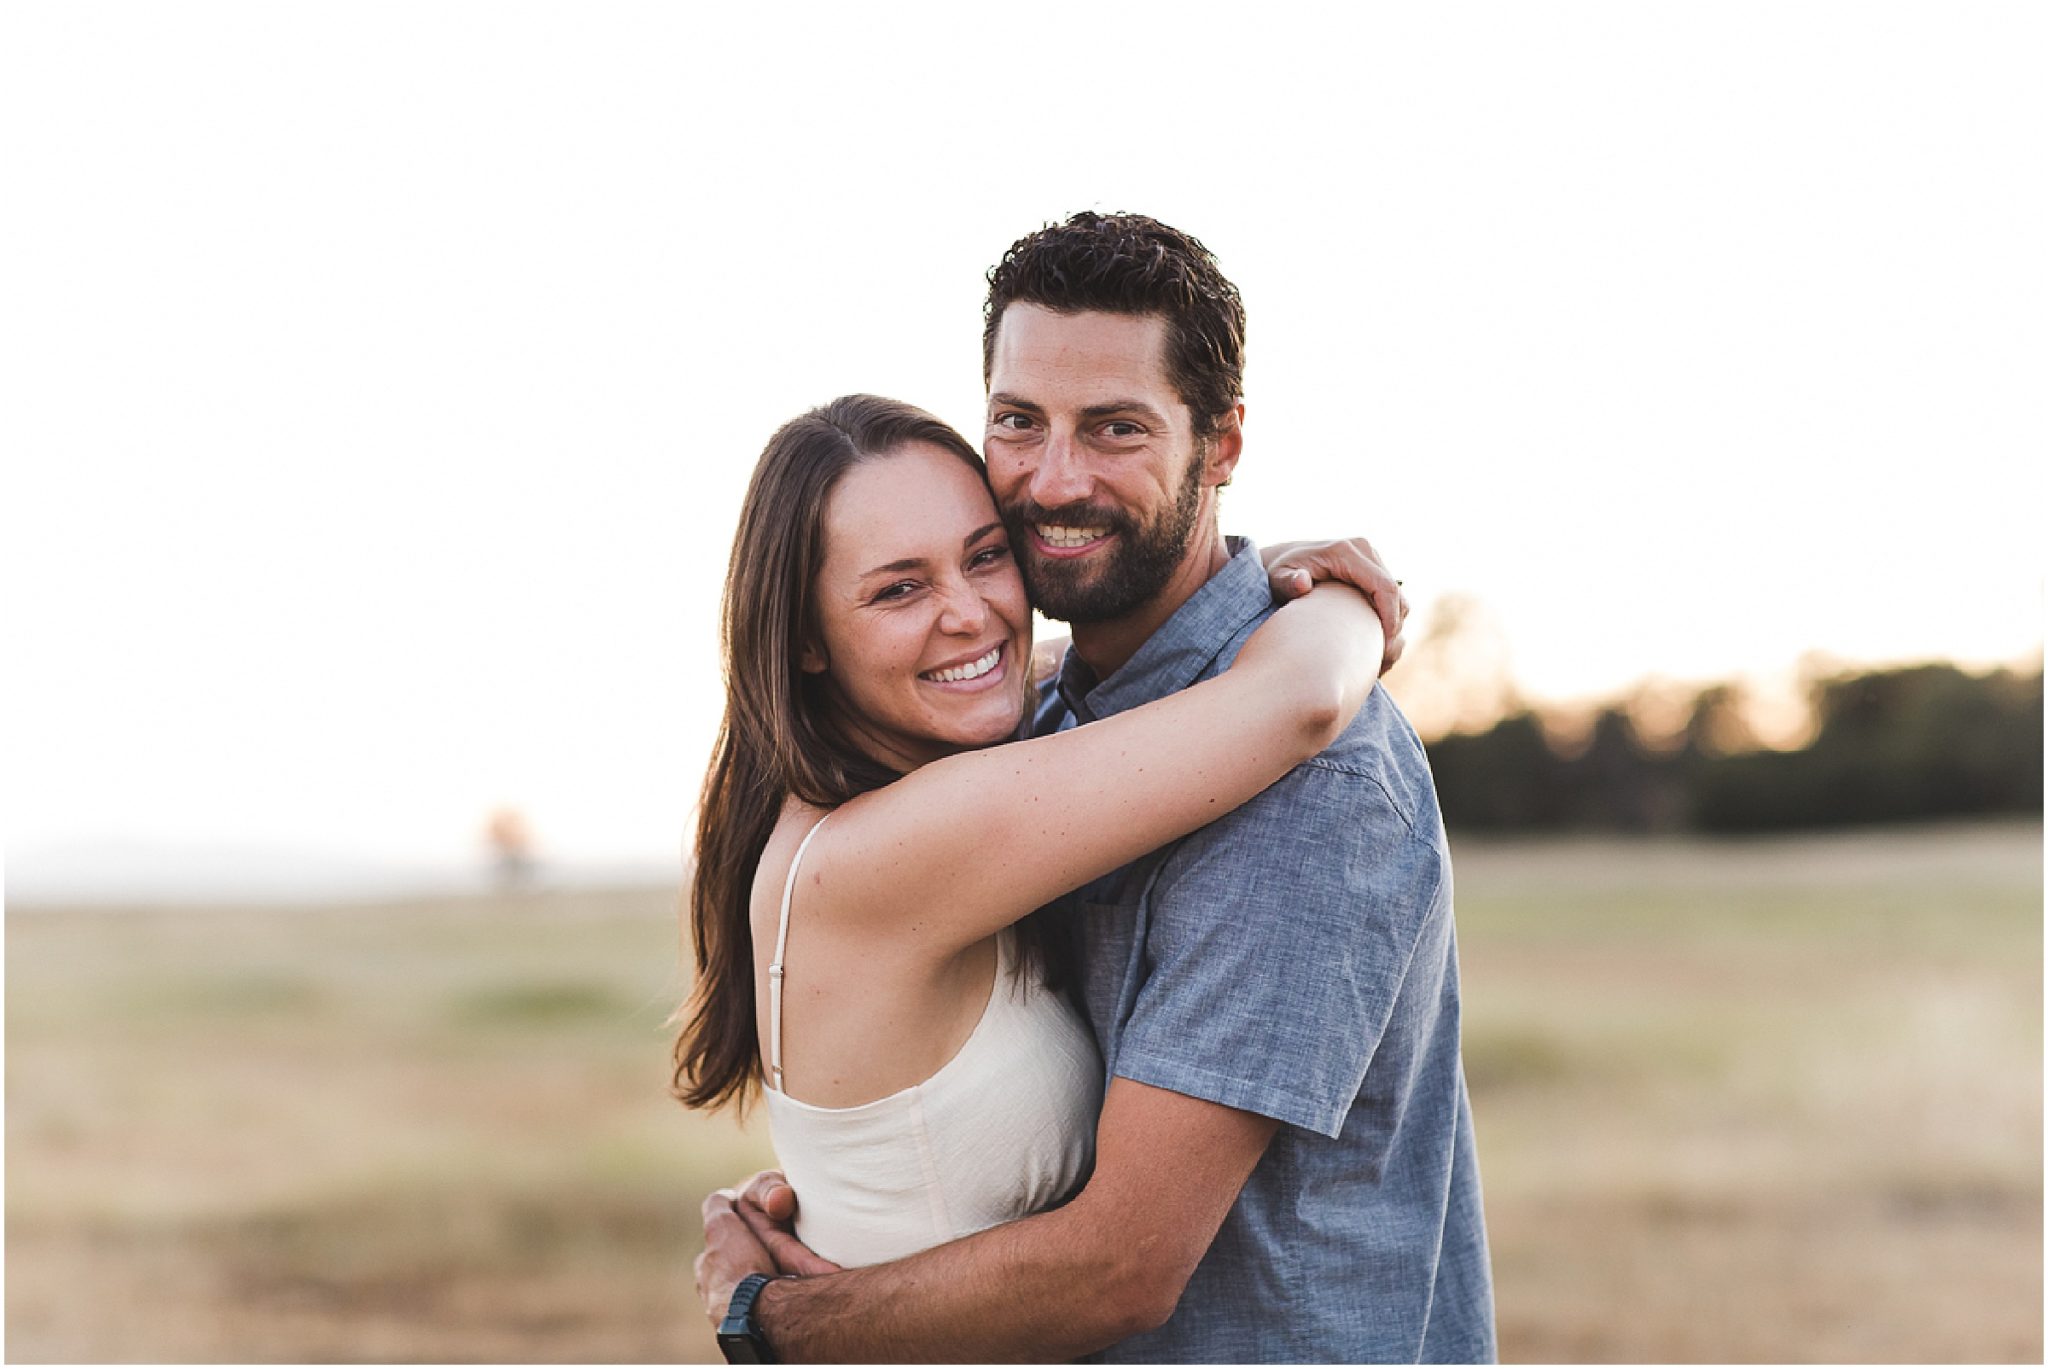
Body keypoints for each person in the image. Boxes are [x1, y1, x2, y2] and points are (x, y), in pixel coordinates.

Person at [696, 212, 1496, 1363]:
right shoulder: (1046, 730)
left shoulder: (1308, 790)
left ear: (1219, 447)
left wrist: (773, 1319)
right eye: (1019, 423)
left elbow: (1122, 1265)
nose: (1052, 481)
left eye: (1114, 428)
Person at [673, 395, 1393, 1267]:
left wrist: (1260, 570)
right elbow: (1300, 700)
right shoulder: (884, 852)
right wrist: (1352, 602)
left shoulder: (879, 797)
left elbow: (1067, 660)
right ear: (807, 639)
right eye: (899, 588)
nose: (970, 613)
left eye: (985, 557)